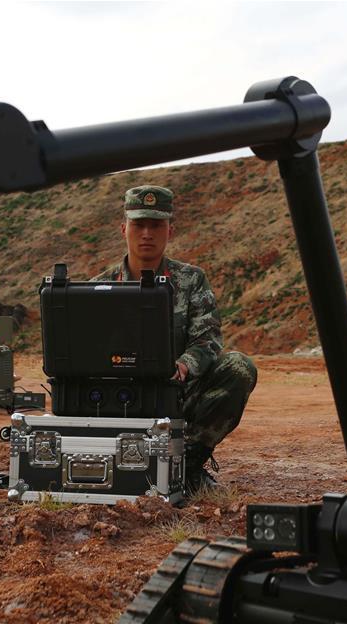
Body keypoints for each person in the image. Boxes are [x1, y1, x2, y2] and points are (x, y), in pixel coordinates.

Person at [92, 185, 257, 494]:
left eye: (156, 225)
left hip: (175, 395)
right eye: (139, 224)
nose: (146, 233)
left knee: (238, 368)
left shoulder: (191, 280)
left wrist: (183, 366)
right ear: (124, 228)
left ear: (170, 230)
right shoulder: (97, 288)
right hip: (115, 397)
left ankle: (187, 468)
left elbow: (207, 340)